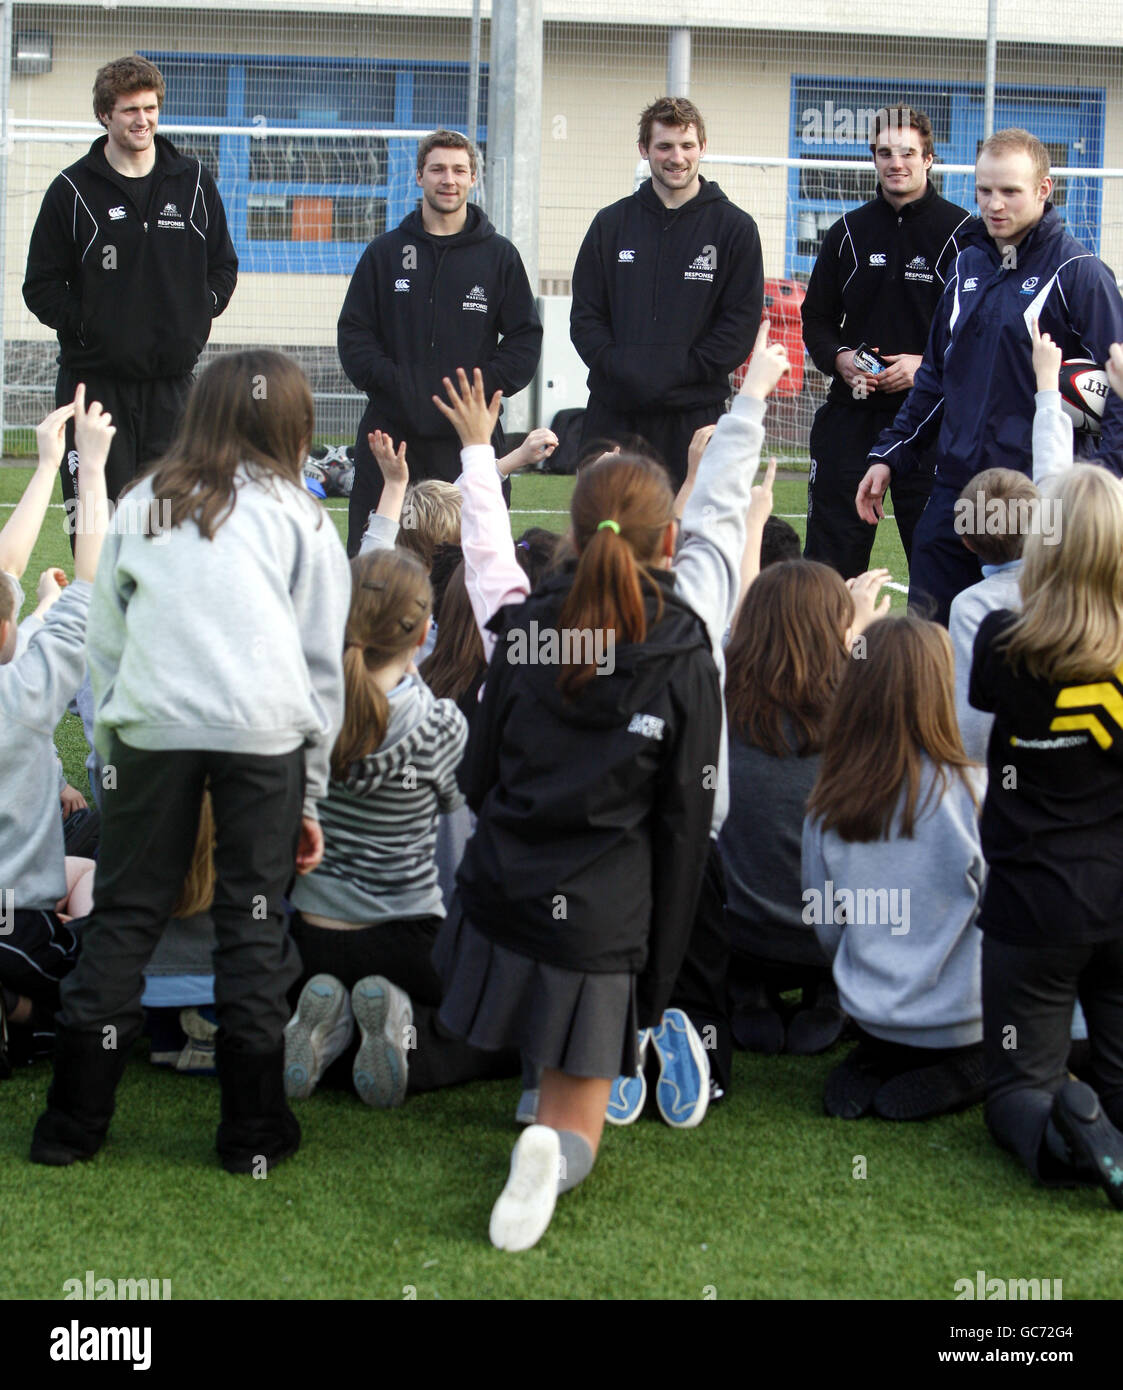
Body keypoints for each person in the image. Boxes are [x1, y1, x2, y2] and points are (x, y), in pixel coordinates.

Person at [29, 351, 351, 1174]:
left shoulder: (142, 504)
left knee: (125, 920)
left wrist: (112, 755)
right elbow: (322, 669)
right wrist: (309, 795)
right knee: (251, 930)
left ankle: (71, 1127)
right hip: (264, 738)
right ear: (290, 422)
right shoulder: (303, 519)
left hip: (151, 737)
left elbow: (106, 642)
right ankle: (251, 1130)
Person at [856, 127, 1123, 624]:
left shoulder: (1080, 276)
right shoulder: (967, 266)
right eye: (984, 191)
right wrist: (891, 453)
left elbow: (1119, 391)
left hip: (1036, 503)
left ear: (1044, 190)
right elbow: (936, 377)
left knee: (1022, 657)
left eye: (1010, 191)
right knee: (929, 638)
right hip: (956, 490)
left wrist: (1095, 487)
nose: (994, 204)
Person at [282, 546, 519, 1106]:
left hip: (308, 939)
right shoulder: (439, 723)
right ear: (422, 635)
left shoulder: (302, 711)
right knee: (510, 1028)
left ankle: (331, 1027)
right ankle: (403, 1036)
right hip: (408, 943)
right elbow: (463, 837)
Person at [969, 463, 1123, 1207]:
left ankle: (1065, 1147)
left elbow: (982, 699)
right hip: (1115, 897)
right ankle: (1101, 1123)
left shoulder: (1002, 638)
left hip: (1031, 904)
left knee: (1015, 1091)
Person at [23, 56, 237, 508]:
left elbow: (223, 265)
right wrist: (90, 325)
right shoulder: (72, 191)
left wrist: (197, 309)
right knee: (96, 523)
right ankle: (94, 582)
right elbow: (40, 285)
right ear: (105, 116)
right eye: (130, 110)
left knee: (162, 527)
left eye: (150, 108)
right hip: (96, 388)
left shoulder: (194, 183)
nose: (143, 120)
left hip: (172, 390)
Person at [804, 617, 987, 1121]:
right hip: (965, 1019)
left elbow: (825, 924)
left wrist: (868, 971)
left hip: (870, 1010)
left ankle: (878, 1057)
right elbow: (1007, 917)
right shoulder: (976, 794)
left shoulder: (828, 801)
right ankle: (971, 1069)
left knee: (884, 1039)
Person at [338, 129, 543, 556]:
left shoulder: (499, 256)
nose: (448, 179)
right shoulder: (385, 253)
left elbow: (524, 340)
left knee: (474, 567)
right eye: (437, 169)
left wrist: (474, 390)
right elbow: (355, 336)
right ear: (419, 176)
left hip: (469, 436)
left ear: (472, 179)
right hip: (391, 437)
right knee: (377, 566)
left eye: (458, 170)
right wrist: (398, 384)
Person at [721, 561, 888, 1055]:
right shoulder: (863, 704)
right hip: (833, 941)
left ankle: (749, 989)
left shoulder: (721, 695)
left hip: (740, 930)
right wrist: (858, 635)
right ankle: (828, 993)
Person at [801, 105, 969, 577]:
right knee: (831, 566)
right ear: (873, 159)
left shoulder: (963, 234)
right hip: (852, 417)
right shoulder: (847, 233)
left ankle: (932, 653)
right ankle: (832, 651)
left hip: (930, 422)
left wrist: (925, 366)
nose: (896, 162)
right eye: (884, 153)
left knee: (939, 561)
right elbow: (815, 317)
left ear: (929, 158)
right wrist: (839, 358)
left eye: (908, 153)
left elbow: (977, 332)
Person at [0, 391, 111, 1080]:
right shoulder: (23, 694)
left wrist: (47, 467)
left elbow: (6, 574)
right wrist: (86, 468)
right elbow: (88, 585)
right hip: (21, 923)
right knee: (108, 852)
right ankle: (20, 1007)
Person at [570, 96, 764, 487]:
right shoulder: (610, 224)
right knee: (607, 542)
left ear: (702, 148)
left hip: (693, 418)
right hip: (615, 414)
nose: (677, 157)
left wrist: (677, 370)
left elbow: (738, 326)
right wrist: (624, 368)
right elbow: (586, 318)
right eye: (664, 146)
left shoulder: (735, 229)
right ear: (645, 150)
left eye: (687, 145)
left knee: (689, 541)